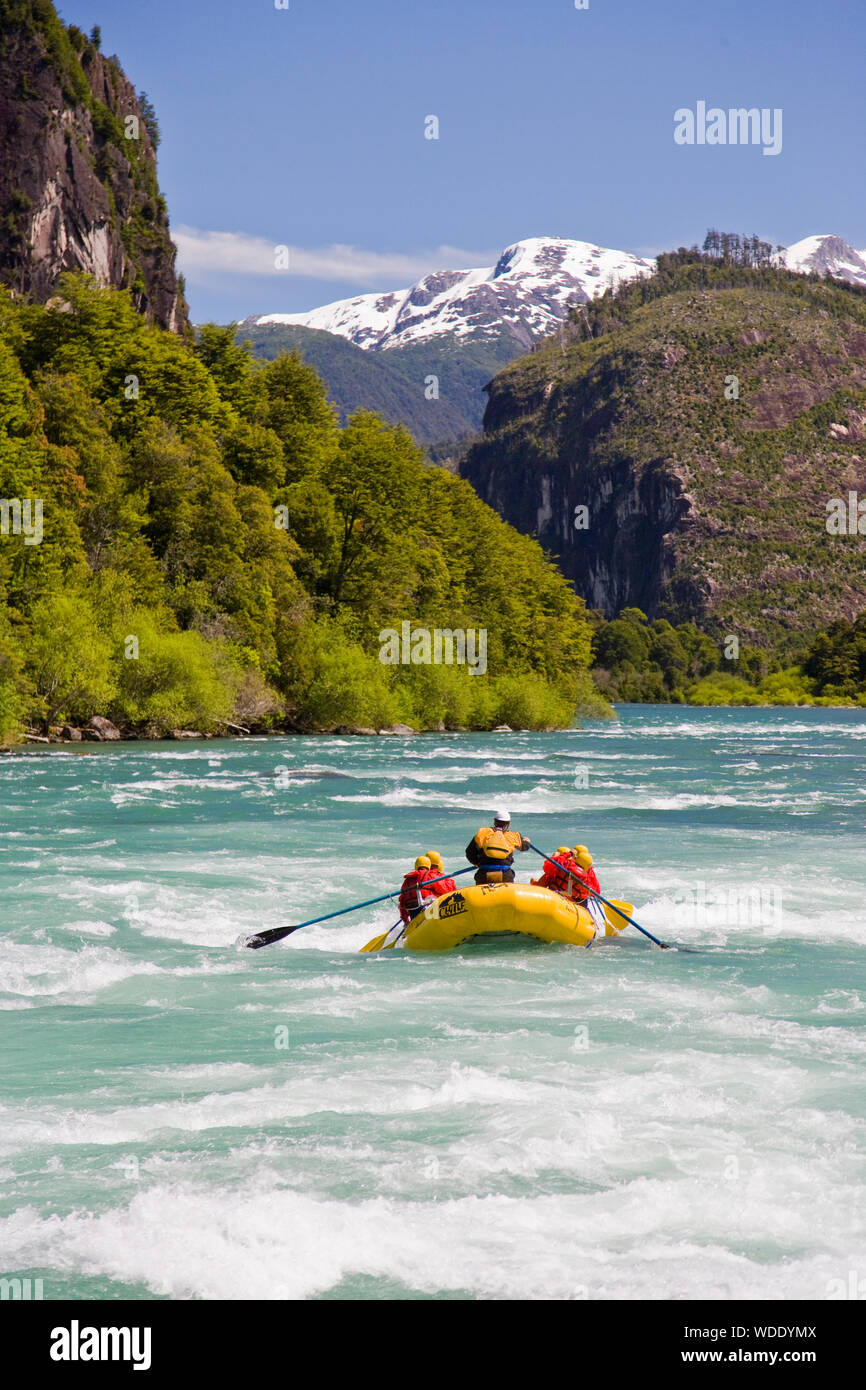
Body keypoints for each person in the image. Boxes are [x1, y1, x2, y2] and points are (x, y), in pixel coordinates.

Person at [465, 807, 529, 884]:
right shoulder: (513, 836)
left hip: (484, 874)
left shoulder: (483, 833)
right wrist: (526, 841)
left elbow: (469, 852)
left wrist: (477, 863)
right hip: (505, 875)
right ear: (508, 824)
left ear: (495, 822)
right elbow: (524, 847)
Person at [566, 845, 605, 930]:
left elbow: (595, 890)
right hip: (572, 897)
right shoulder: (569, 866)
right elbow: (596, 890)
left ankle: (591, 923)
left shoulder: (567, 865)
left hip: (574, 898)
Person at [398, 855, 439, 923]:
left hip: (412, 910)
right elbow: (444, 890)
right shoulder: (430, 875)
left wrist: (405, 920)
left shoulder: (407, 881)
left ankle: (412, 925)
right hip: (426, 908)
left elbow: (402, 901)